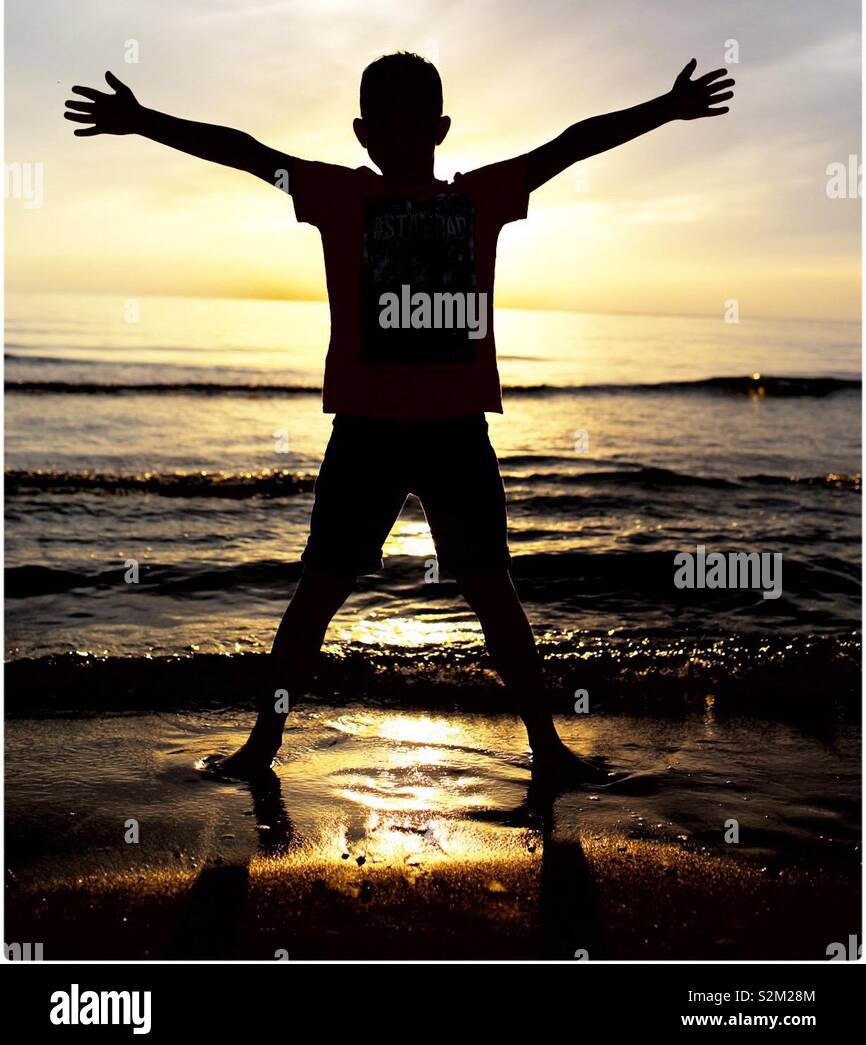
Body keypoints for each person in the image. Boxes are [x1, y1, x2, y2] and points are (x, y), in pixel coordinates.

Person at [65, 52, 734, 785]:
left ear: (442, 127)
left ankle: (547, 748)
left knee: (493, 595)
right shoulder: (334, 195)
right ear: (363, 131)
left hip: (457, 431)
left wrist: (664, 110)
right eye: (387, 118)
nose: (403, 130)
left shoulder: (483, 195)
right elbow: (247, 152)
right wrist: (141, 122)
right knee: (317, 595)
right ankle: (262, 746)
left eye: (416, 117)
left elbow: (571, 144)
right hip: (365, 433)